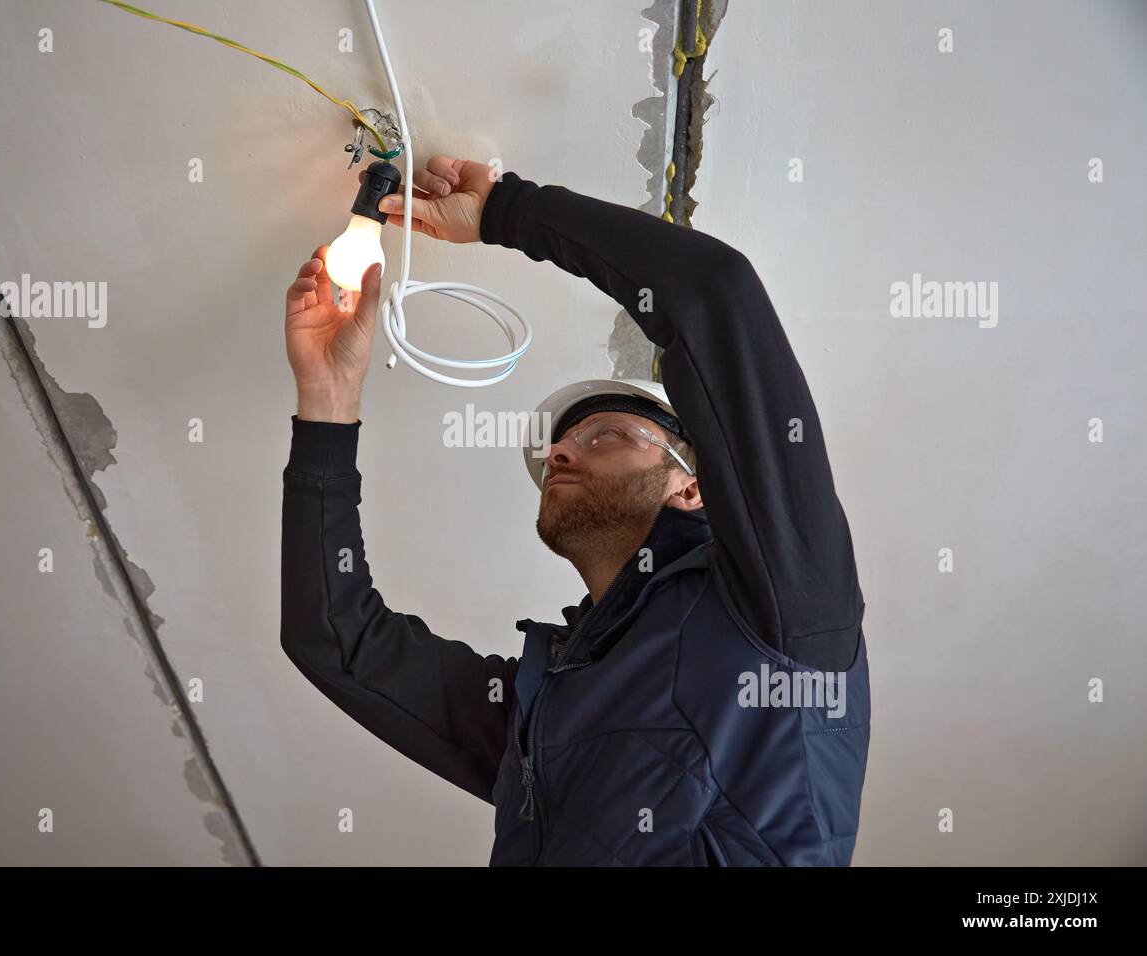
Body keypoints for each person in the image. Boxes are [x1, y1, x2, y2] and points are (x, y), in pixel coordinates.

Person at [281, 156, 869, 866]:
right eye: (562, 444)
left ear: (694, 487)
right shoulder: (543, 706)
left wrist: (507, 210)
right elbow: (336, 639)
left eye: (605, 436)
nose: (561, 453)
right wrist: (329, 401)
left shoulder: (781, 605)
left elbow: (717, 296)